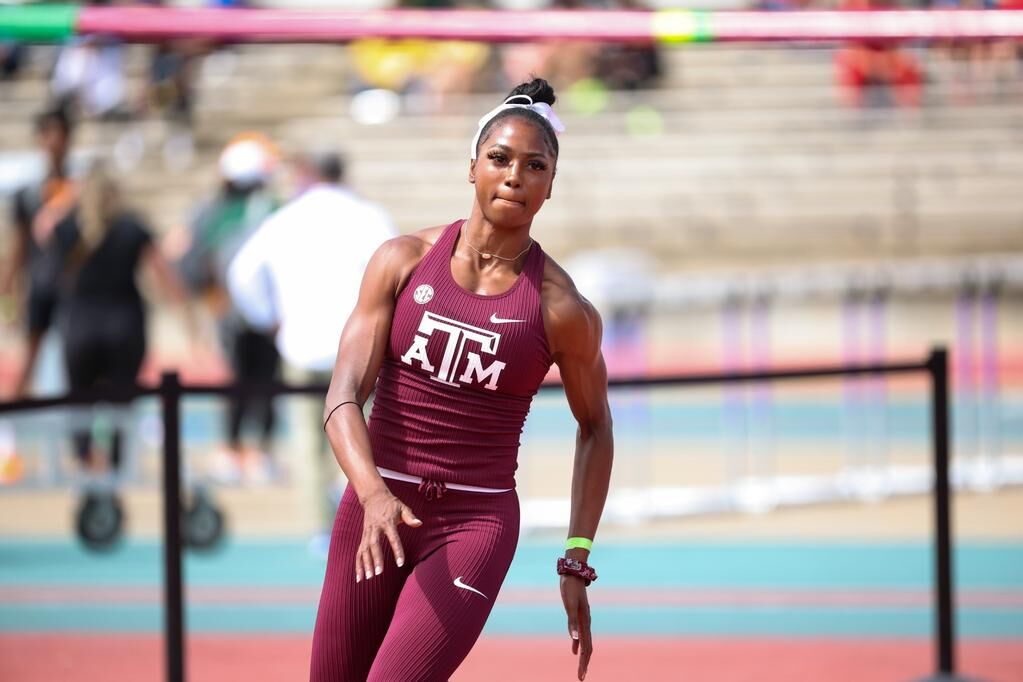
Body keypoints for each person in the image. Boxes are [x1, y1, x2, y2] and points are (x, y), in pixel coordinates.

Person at [311, 78, 614, 681]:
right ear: (472, 166)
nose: (514, 176)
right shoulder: (400, 261)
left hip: (472, 524)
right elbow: (343, 396)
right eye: (499, 159)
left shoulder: (561, 310)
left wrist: (576, 556)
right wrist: (372, 495)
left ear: (550, 186)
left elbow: (595, 426)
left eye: (535, 166)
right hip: (375, 505)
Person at [226, 150, 396, 526]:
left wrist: (269, 320)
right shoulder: (370, 216)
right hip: (360, 346)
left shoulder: (285, 218)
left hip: (303, 346)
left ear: (308, 173)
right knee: (367, 437)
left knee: (307, 441)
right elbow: (402, 271)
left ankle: (320, 526)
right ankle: (363, 517)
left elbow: (241, 273)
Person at [49, 162, 191, 470]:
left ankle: (86, 466)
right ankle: (114, 468)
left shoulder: (66, 228)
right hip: (124, 327)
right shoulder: (131, 226)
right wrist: (186, 316)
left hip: (80, 327)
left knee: (80, 402)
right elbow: (163, 273)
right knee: (121, 404)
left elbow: (50, 276)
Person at [168, 133, 281, 480]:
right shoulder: (215, 213)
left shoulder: (227, 211)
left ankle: (248, 449)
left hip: (256, 313)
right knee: (255, 379)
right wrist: (212, 295)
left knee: (254, 379)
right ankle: (243, 449)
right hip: (249, 314)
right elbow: (191, 261)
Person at [2, 106, 77, 397]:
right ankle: (9, 426)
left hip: (73, 289)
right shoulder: (28, 194)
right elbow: (18, 248)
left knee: (76, 363)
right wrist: (7, 296)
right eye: (48, 134)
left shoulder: (81, 191)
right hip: (41, 286)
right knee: (30, 357)